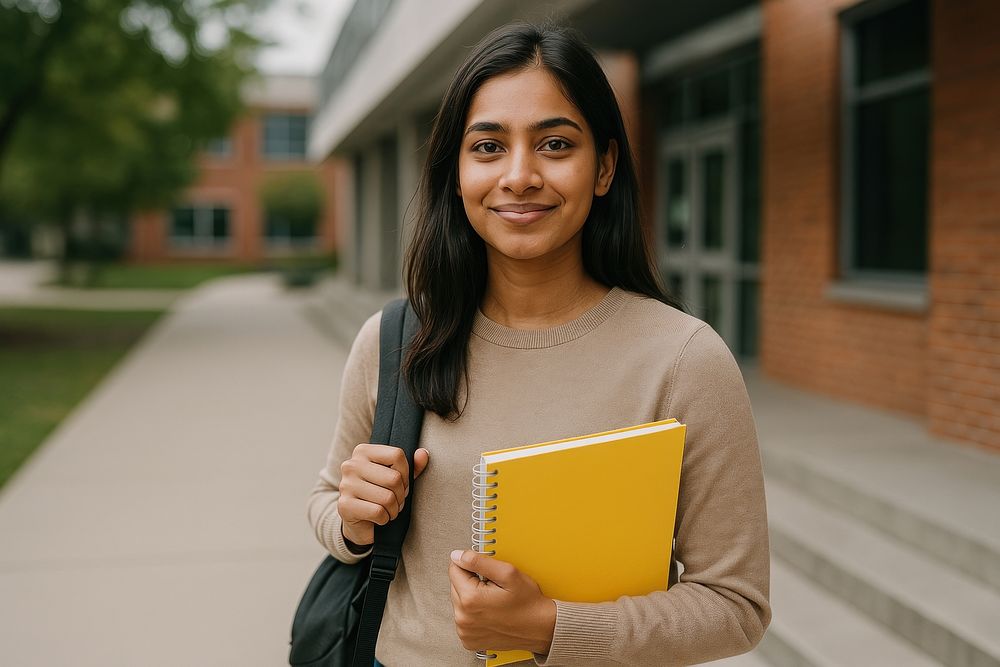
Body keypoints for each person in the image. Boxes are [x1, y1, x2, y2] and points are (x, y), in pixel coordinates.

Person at [308, 22, 770, 666]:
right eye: (489, 147)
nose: (520, 176)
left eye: (555, 144)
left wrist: (552, 628)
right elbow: (328, 505)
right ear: (457, 173)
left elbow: (736, 605)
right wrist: (354, 523)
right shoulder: (396, 340)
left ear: (604, 167)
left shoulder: (684, 359)